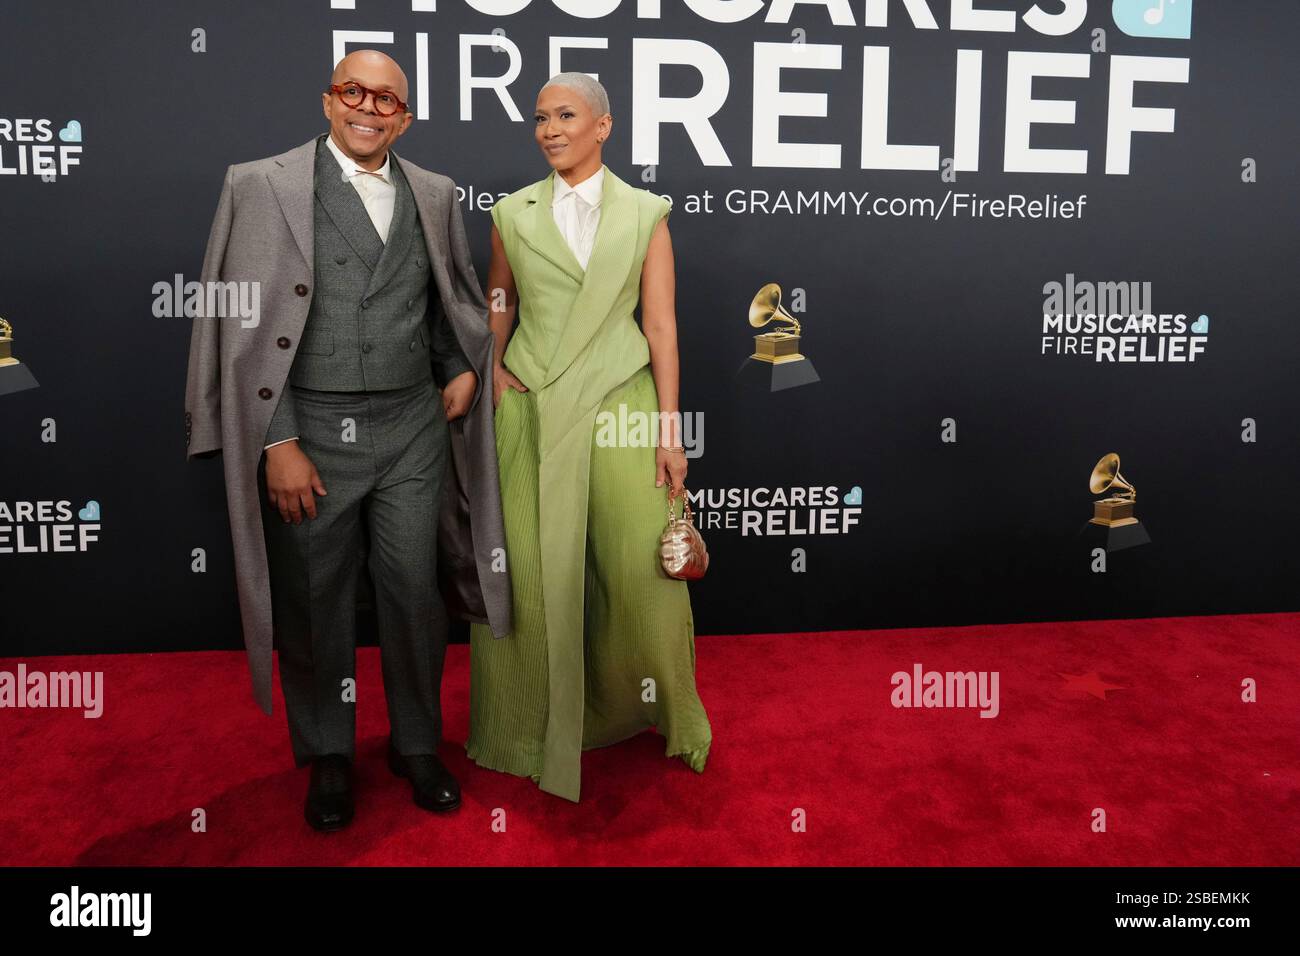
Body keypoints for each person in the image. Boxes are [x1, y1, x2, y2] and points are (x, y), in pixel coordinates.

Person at [184, 50, 512, 831]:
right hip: (311, 433)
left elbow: (442, 294)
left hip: (413, 426)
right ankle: (329, 753)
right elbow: (242, 323)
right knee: (314, 599)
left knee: (413, 593)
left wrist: (458, 367)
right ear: (329, 100)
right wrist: (278, 440)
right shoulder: (259, 183)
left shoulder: (434, 192)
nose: (369, 107)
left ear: (404, 116)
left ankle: (416, 743)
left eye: (386, 99)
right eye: (353, 92)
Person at [466, 72, 711, 802]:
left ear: (602, 126)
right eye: (540, 118)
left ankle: (645, 708)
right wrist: (494, 369)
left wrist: (670, 429)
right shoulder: (511, 212)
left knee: (640, 571)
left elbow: (661, 326)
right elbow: (499, 297)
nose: (549, 129)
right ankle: (526, 728)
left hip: (622, 405)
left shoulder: (645, 213)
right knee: (535, 578)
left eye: (565, 115)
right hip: (535, 408)